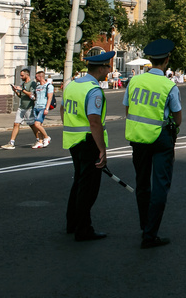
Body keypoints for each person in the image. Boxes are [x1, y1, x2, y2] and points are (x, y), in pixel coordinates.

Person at [124, 39, 182, 249]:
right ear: (166, 60)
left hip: (138, 138)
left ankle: (144, 224)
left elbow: (128, 109)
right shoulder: (169, 85)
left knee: (142, 183)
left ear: (149, 60)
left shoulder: (135, 82)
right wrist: (173, 131)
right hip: (161, 138)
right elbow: (177, 116)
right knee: (160, 185)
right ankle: (150, 233)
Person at [64, 50, 114, 241]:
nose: (108, 71)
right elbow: (94, 121)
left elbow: (63, 110)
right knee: (88, 188)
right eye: (107, 67)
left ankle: (72, 223)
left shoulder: (72, 85)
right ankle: (83, 229)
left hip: (73, 141)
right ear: (101, 68)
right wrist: (102, 149)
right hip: (88, 141)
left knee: (78, 181)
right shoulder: (94, 90)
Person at [1, 68, 39, 149]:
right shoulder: (23, 84)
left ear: (27, 75)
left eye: (22, 75)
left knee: (32, 125)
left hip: (29, 107)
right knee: (16, 123)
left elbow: (32, 95)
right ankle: (11, 142)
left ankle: (39, 139)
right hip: (21, 107)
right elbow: (20, 95)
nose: (21, 77)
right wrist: (15, 91)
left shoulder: (32, 83)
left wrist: (23, 90)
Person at [31, 70, 54, 148]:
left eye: (36, 77)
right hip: (36, 106)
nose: (35, 78)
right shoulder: (37, 86)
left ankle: (46, 137)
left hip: (43, 107)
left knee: (36, 124)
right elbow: (36, 97)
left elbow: (49, 98)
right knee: (38, 125)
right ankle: (40, 141)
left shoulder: (48, 86)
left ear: (40, 77)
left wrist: (46, 108)